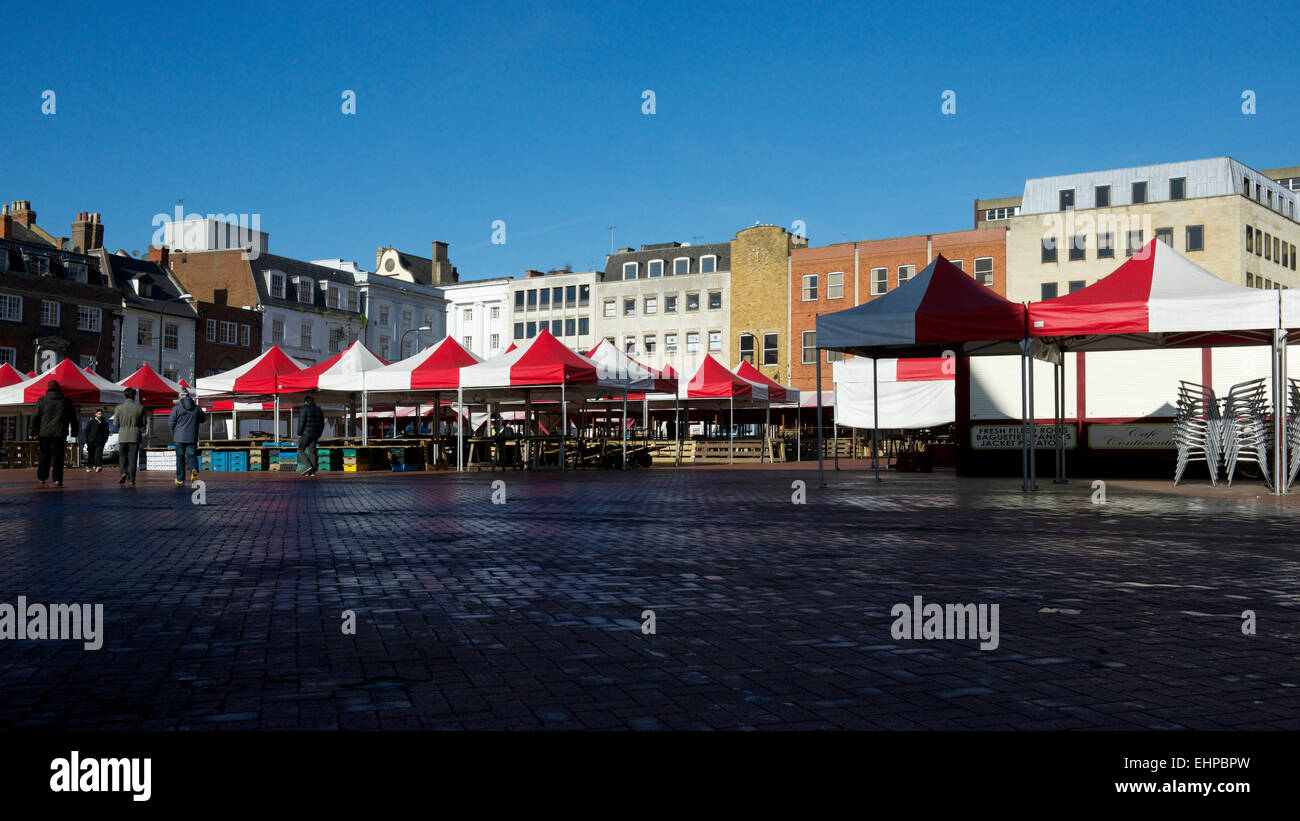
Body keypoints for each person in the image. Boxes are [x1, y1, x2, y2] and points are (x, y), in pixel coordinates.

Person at [32, 380, 77, 488]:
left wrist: (32, 431)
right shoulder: (66, 401)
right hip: (60, 433)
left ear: (48, 388)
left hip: (44, 433)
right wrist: (74, 432)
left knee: (44, 455)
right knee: (58, 457)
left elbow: (35, 417)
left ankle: (42, 477)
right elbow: (73, 418)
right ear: (58, 388)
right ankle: (57, 479)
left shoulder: (42, 400)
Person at [168, 389, 206, 486]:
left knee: (180, 458)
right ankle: (194, 469)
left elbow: (171, 423)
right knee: (192, 455)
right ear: (189, 396)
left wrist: (174, 434)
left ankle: (180, 479)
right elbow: (203, 419)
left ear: (180, 398)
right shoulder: (196, 408)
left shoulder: (176, 408)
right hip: (192, 437)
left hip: (179, 437)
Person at [113, 387, 146, 486]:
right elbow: (143, 423)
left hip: (123, 434)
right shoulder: (140, 408)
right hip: (135, 435)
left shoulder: (119, 408)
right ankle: (131, 478)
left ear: (125, 395)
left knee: (122, 456)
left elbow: (115, 424)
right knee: (133, 457)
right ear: (134, 396)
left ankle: (123, 472)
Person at [297, 394, 325, 477]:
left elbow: (301, 422)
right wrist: (318, 434)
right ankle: (312, 472)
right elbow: (322, 424)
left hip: (306, 434)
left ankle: (308, 466)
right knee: (312, 451)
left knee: (300, 449)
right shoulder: (319, 410)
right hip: (315, 435)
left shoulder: (304, 408)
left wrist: (299, 433)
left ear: (305, 402)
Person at [82, 408, 111, 472]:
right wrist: (87, 441)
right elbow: (86, 431)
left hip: (100, 442)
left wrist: (104, 440)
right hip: (91, 441)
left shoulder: (104, 423)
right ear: (96, 414)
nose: (100, 415)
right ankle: (89, 466)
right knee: (91, 454)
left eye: (101, 413)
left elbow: (106, 432)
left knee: (99, 454)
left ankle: (98, 466)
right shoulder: (91, 422)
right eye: (99, 413)